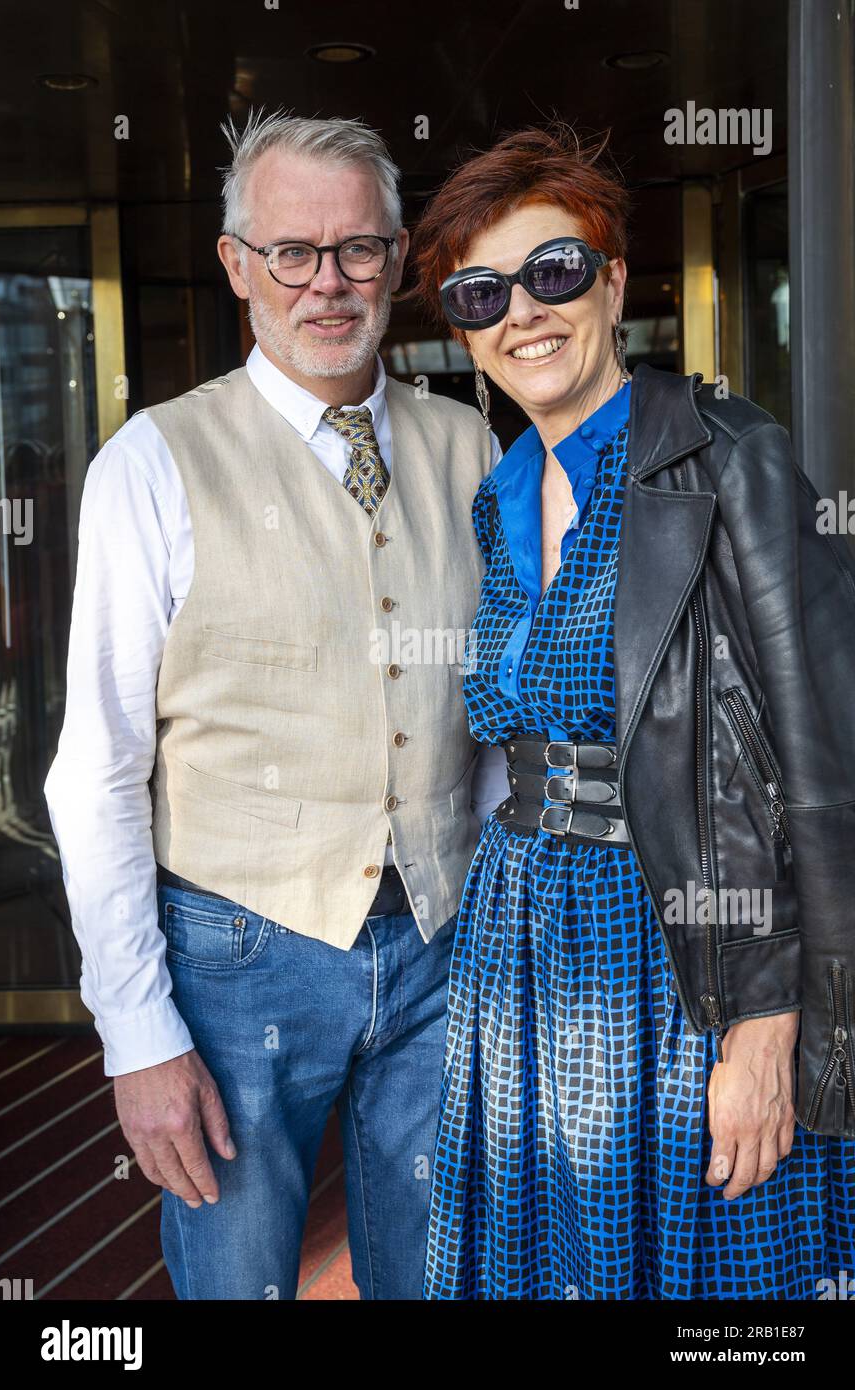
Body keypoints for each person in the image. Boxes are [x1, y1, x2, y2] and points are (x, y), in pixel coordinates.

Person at [43, 108, 508, 1301]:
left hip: (445, 944)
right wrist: (137, 1033)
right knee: (242, 1282)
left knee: (439, 1275)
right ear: (237, 265)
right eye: (291, 252)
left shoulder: (472, 445)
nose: (327, 282)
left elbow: (498, 720)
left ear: (402, 261)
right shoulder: (153, 462)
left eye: (358, 248)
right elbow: (94, 768)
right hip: (236, 952)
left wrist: (501, 920)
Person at [410, 122, 855, 1299]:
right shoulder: (493, 498)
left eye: (553, 271)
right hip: (518, 955)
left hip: (686, 957)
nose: (523, 311)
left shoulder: (727, 461)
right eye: (481, 291)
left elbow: (826, 762)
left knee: (708, 1279)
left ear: (613, 284)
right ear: (461, 328)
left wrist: (775, 1029)